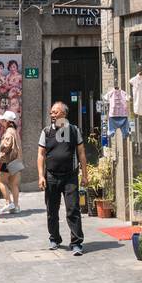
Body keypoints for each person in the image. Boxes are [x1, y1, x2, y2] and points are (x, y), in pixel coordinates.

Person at [38, 101, 88, 256]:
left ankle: (76, 243)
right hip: (51, 176)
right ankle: (54, 238)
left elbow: (81, 153)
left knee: (73, 209)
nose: (52, 115)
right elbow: (40, 155)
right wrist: (41, 176)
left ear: (64, 114)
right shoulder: (46, 131)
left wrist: (85, 174)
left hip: (70, 176)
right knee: (52, 210)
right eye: (52, 112)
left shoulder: (73, 130)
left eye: (56, 112)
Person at [0, 111, 23, 213]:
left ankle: (8, 202)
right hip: (16, 160)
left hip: (8, 161)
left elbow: (6, 146)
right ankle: (16, 206)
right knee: (13, 184)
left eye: (3, 120)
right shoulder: (15, 131)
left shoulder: (9, 132)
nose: (2, 122)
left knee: (0, 181)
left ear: (7, 121)